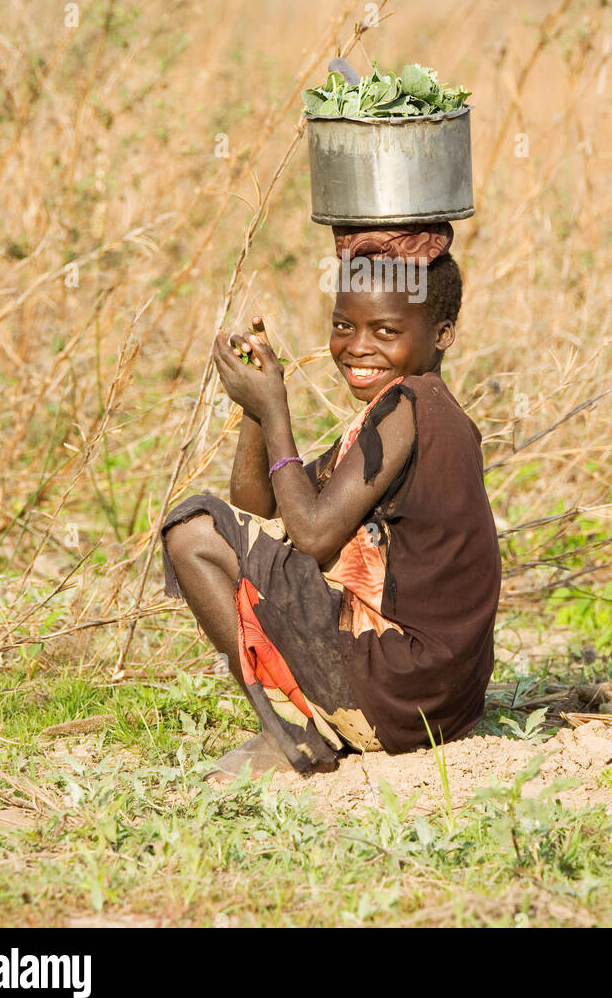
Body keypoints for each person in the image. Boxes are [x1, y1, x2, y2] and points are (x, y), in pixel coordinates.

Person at [161, 223, 501, 782]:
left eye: (386, 331)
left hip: (395, 692)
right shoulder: (412, 411)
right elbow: (262, 507)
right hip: (443, 706)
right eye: (344, 325)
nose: (358, 347)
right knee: (221, 526)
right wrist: (258, 406)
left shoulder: (408, 408)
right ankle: (312, 721)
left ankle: (292, 733)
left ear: (442, 334)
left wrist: (277, 414)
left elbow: (313, 536)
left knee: (193, 529)